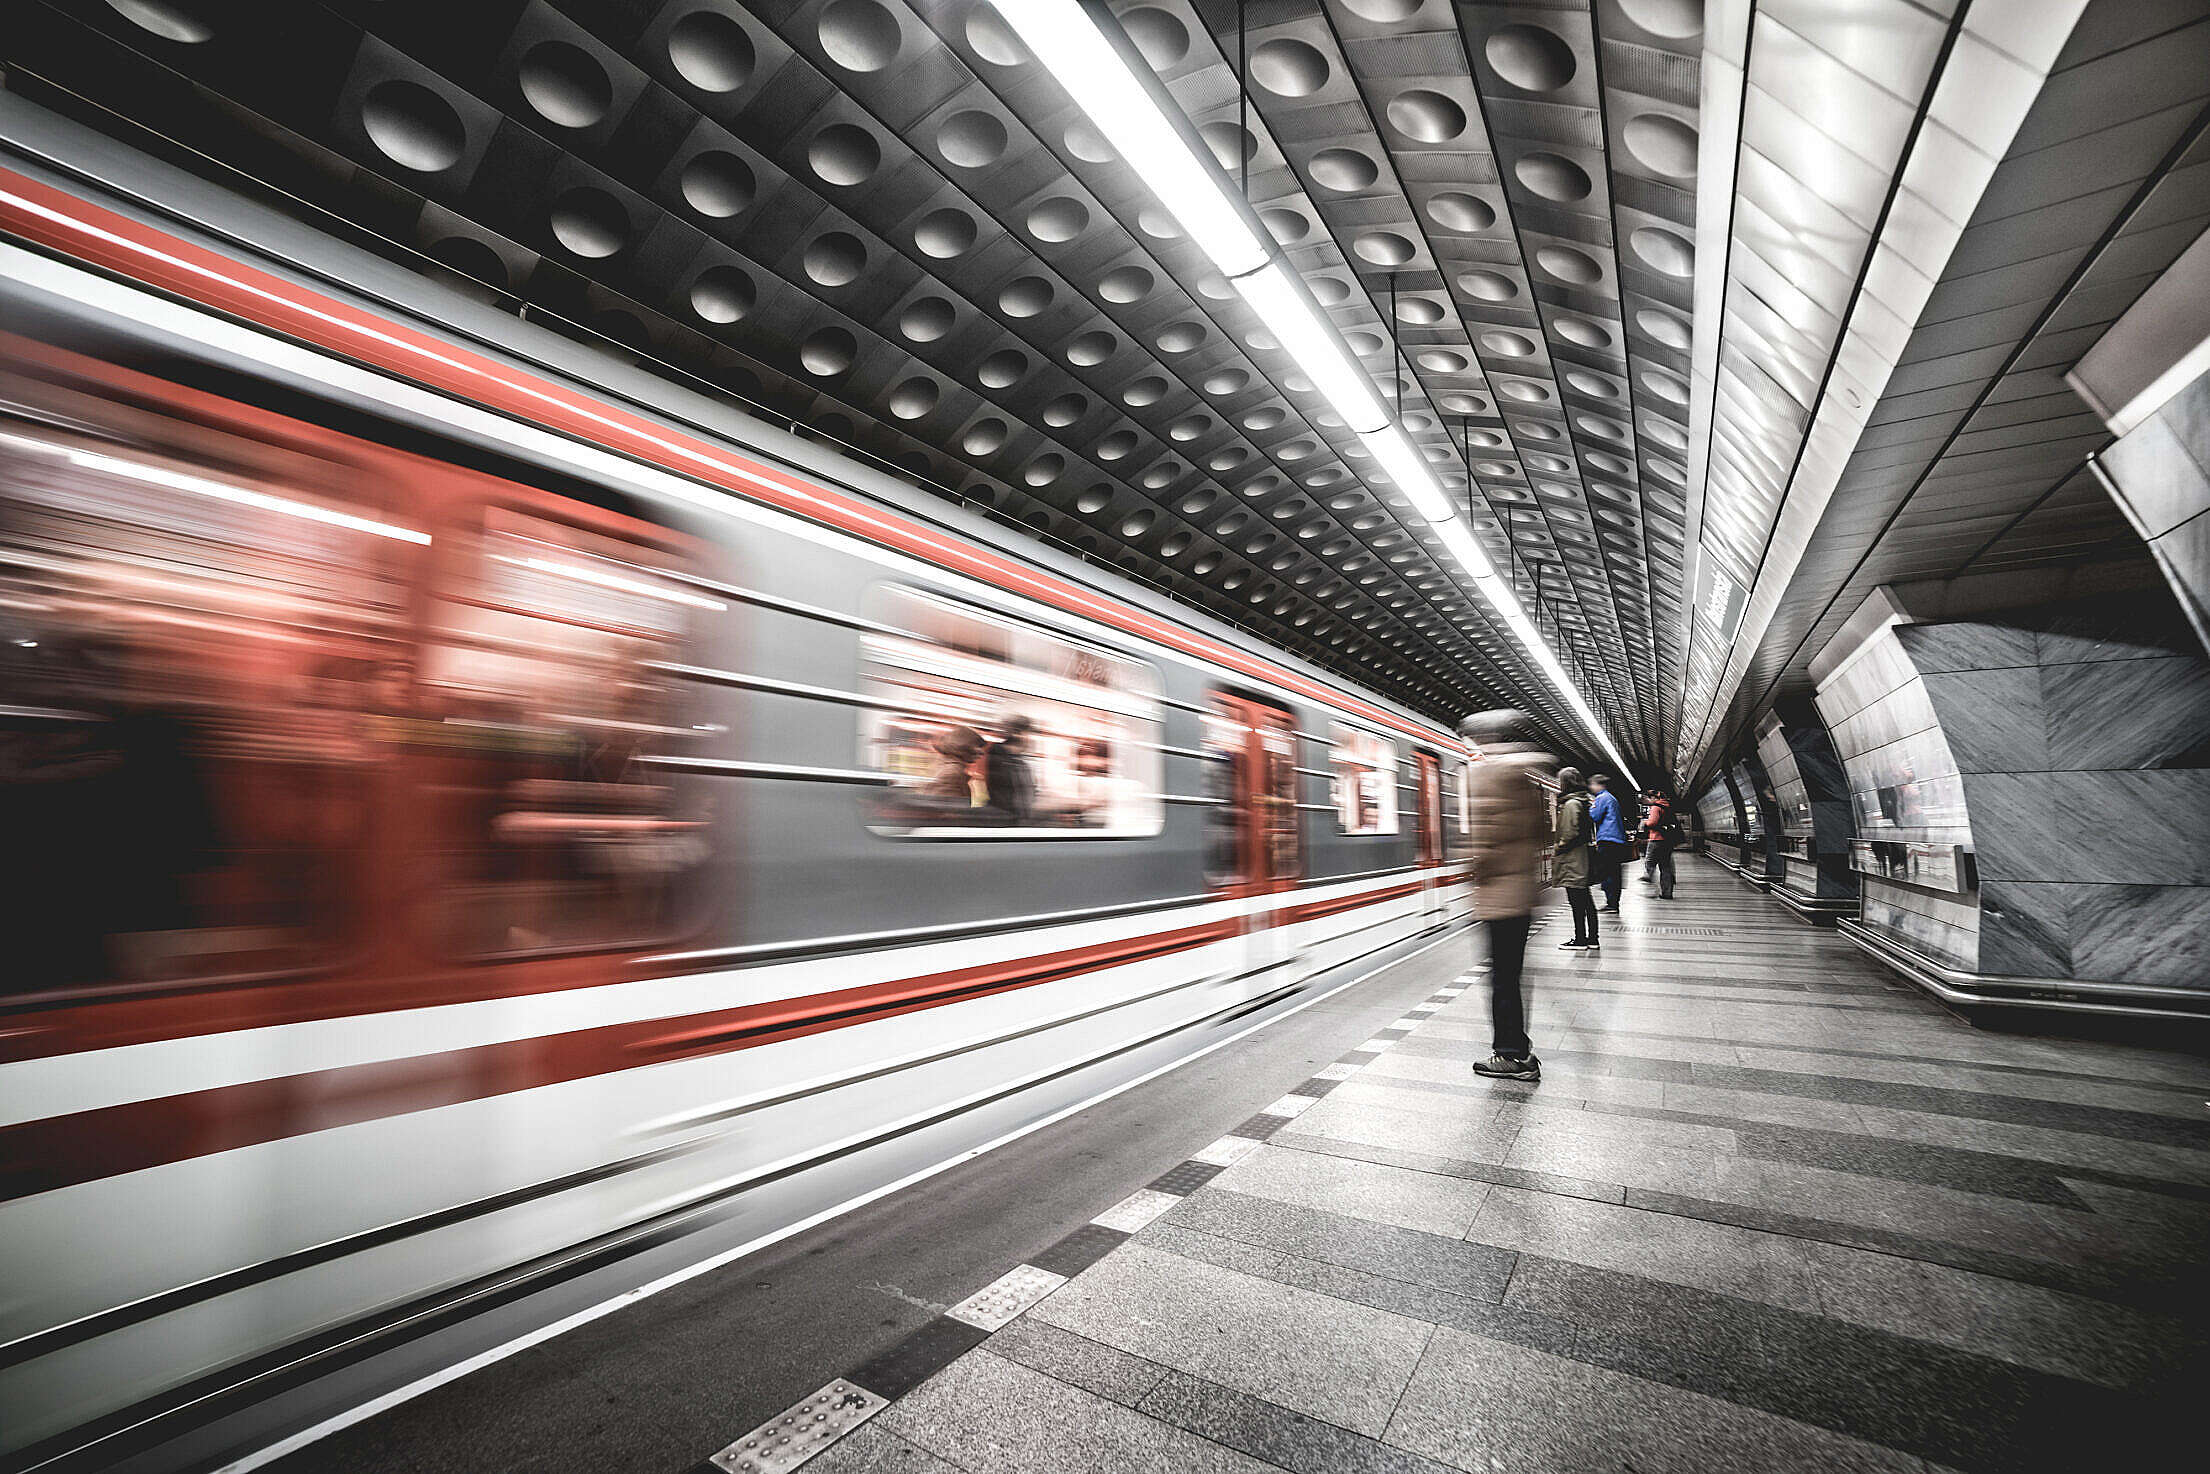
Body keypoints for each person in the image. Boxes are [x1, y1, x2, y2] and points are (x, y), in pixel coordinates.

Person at [1458, 710, 1554, 1082]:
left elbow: (1485, 841)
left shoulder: (1488, 775)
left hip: (1498, 895)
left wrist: (1472, 871)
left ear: (1481, 739)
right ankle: (1520, 1048)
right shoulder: (1528, 776)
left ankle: (1511, 1055)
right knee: (1512, 974)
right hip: (1522, 891)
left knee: (1501, 978)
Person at [1554, 767, 1599, 951]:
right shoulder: (1583, 800)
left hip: (1573, 859)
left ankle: (1581, 939)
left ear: (1566, 782)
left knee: (1577, 901)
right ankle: (1592, 939)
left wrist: (1559, 846)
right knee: (1585, 900)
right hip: (1581, 856)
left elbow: (1571, 832)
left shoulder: (1572, 804)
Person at [983, 715, 1037, 822]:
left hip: (1016, 824)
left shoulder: (1021, 763)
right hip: (1001, 823)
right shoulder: (996, 759)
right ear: (1017, 733)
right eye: (1029, 733)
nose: (1031, 739)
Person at [1588, 773, 1629, 914]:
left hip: (1608, 839)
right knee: (1614, 872)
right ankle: (1613, 903)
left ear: (1600, 785)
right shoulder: (1612, 798)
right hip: (1616, 840)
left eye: (1592, 784)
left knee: (1607, 871)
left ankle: (1611, 904)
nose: (1591, 787)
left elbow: (1594, 816)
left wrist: (1589, 808)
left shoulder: (1602, 798)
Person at [1641, 789, 1678, 899]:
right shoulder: (1667, 806)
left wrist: (1645, 822)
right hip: (1667, 840)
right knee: (1665, 867)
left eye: (1649, 798)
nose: (1648, 800)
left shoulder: (1656, 807)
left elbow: (1652, 823)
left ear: (1654, 798)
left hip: (1656, 839)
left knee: (1649, 863)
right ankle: (1667, 893)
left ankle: (1649, 886)